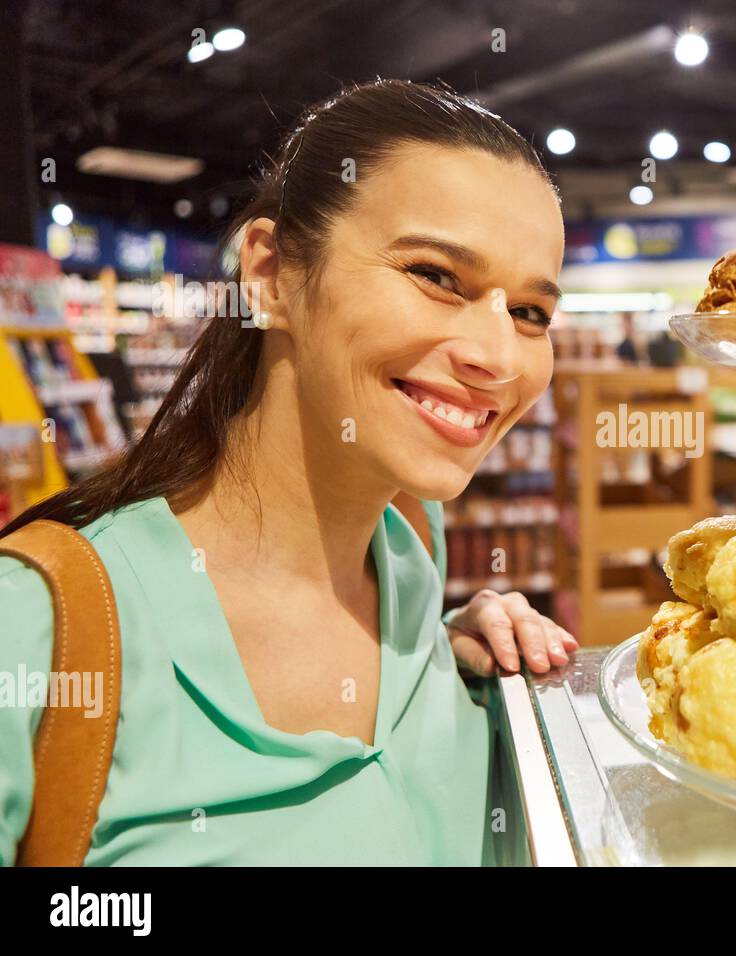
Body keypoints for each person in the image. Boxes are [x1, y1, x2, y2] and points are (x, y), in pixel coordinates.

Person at [0, 78, 574, 865]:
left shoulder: (412, 551)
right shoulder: (35, 631)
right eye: (437, 276)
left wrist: (471, 680)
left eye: (530, 313)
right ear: (269, 275)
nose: (499, 357)